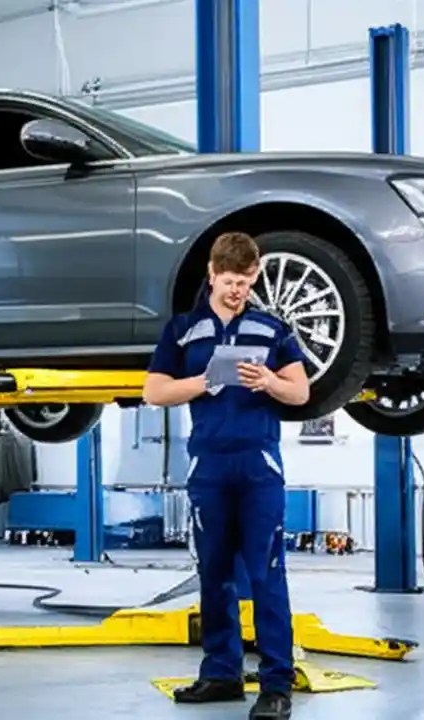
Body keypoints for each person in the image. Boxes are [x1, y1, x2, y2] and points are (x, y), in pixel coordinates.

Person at [142, 231, 310, 720]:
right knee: (213, 571)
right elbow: (154, 390)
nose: (236, 289)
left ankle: (276, 683)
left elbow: (300, 392)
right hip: (209, 467)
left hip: (259, 467)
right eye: (229, 280)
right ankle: (221, 674)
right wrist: (203, 382)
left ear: (255, 276)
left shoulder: (272, 329)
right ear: (212, 274)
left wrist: (271, 381)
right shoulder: (182, 330)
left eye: (245, 281)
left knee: (267, 574)